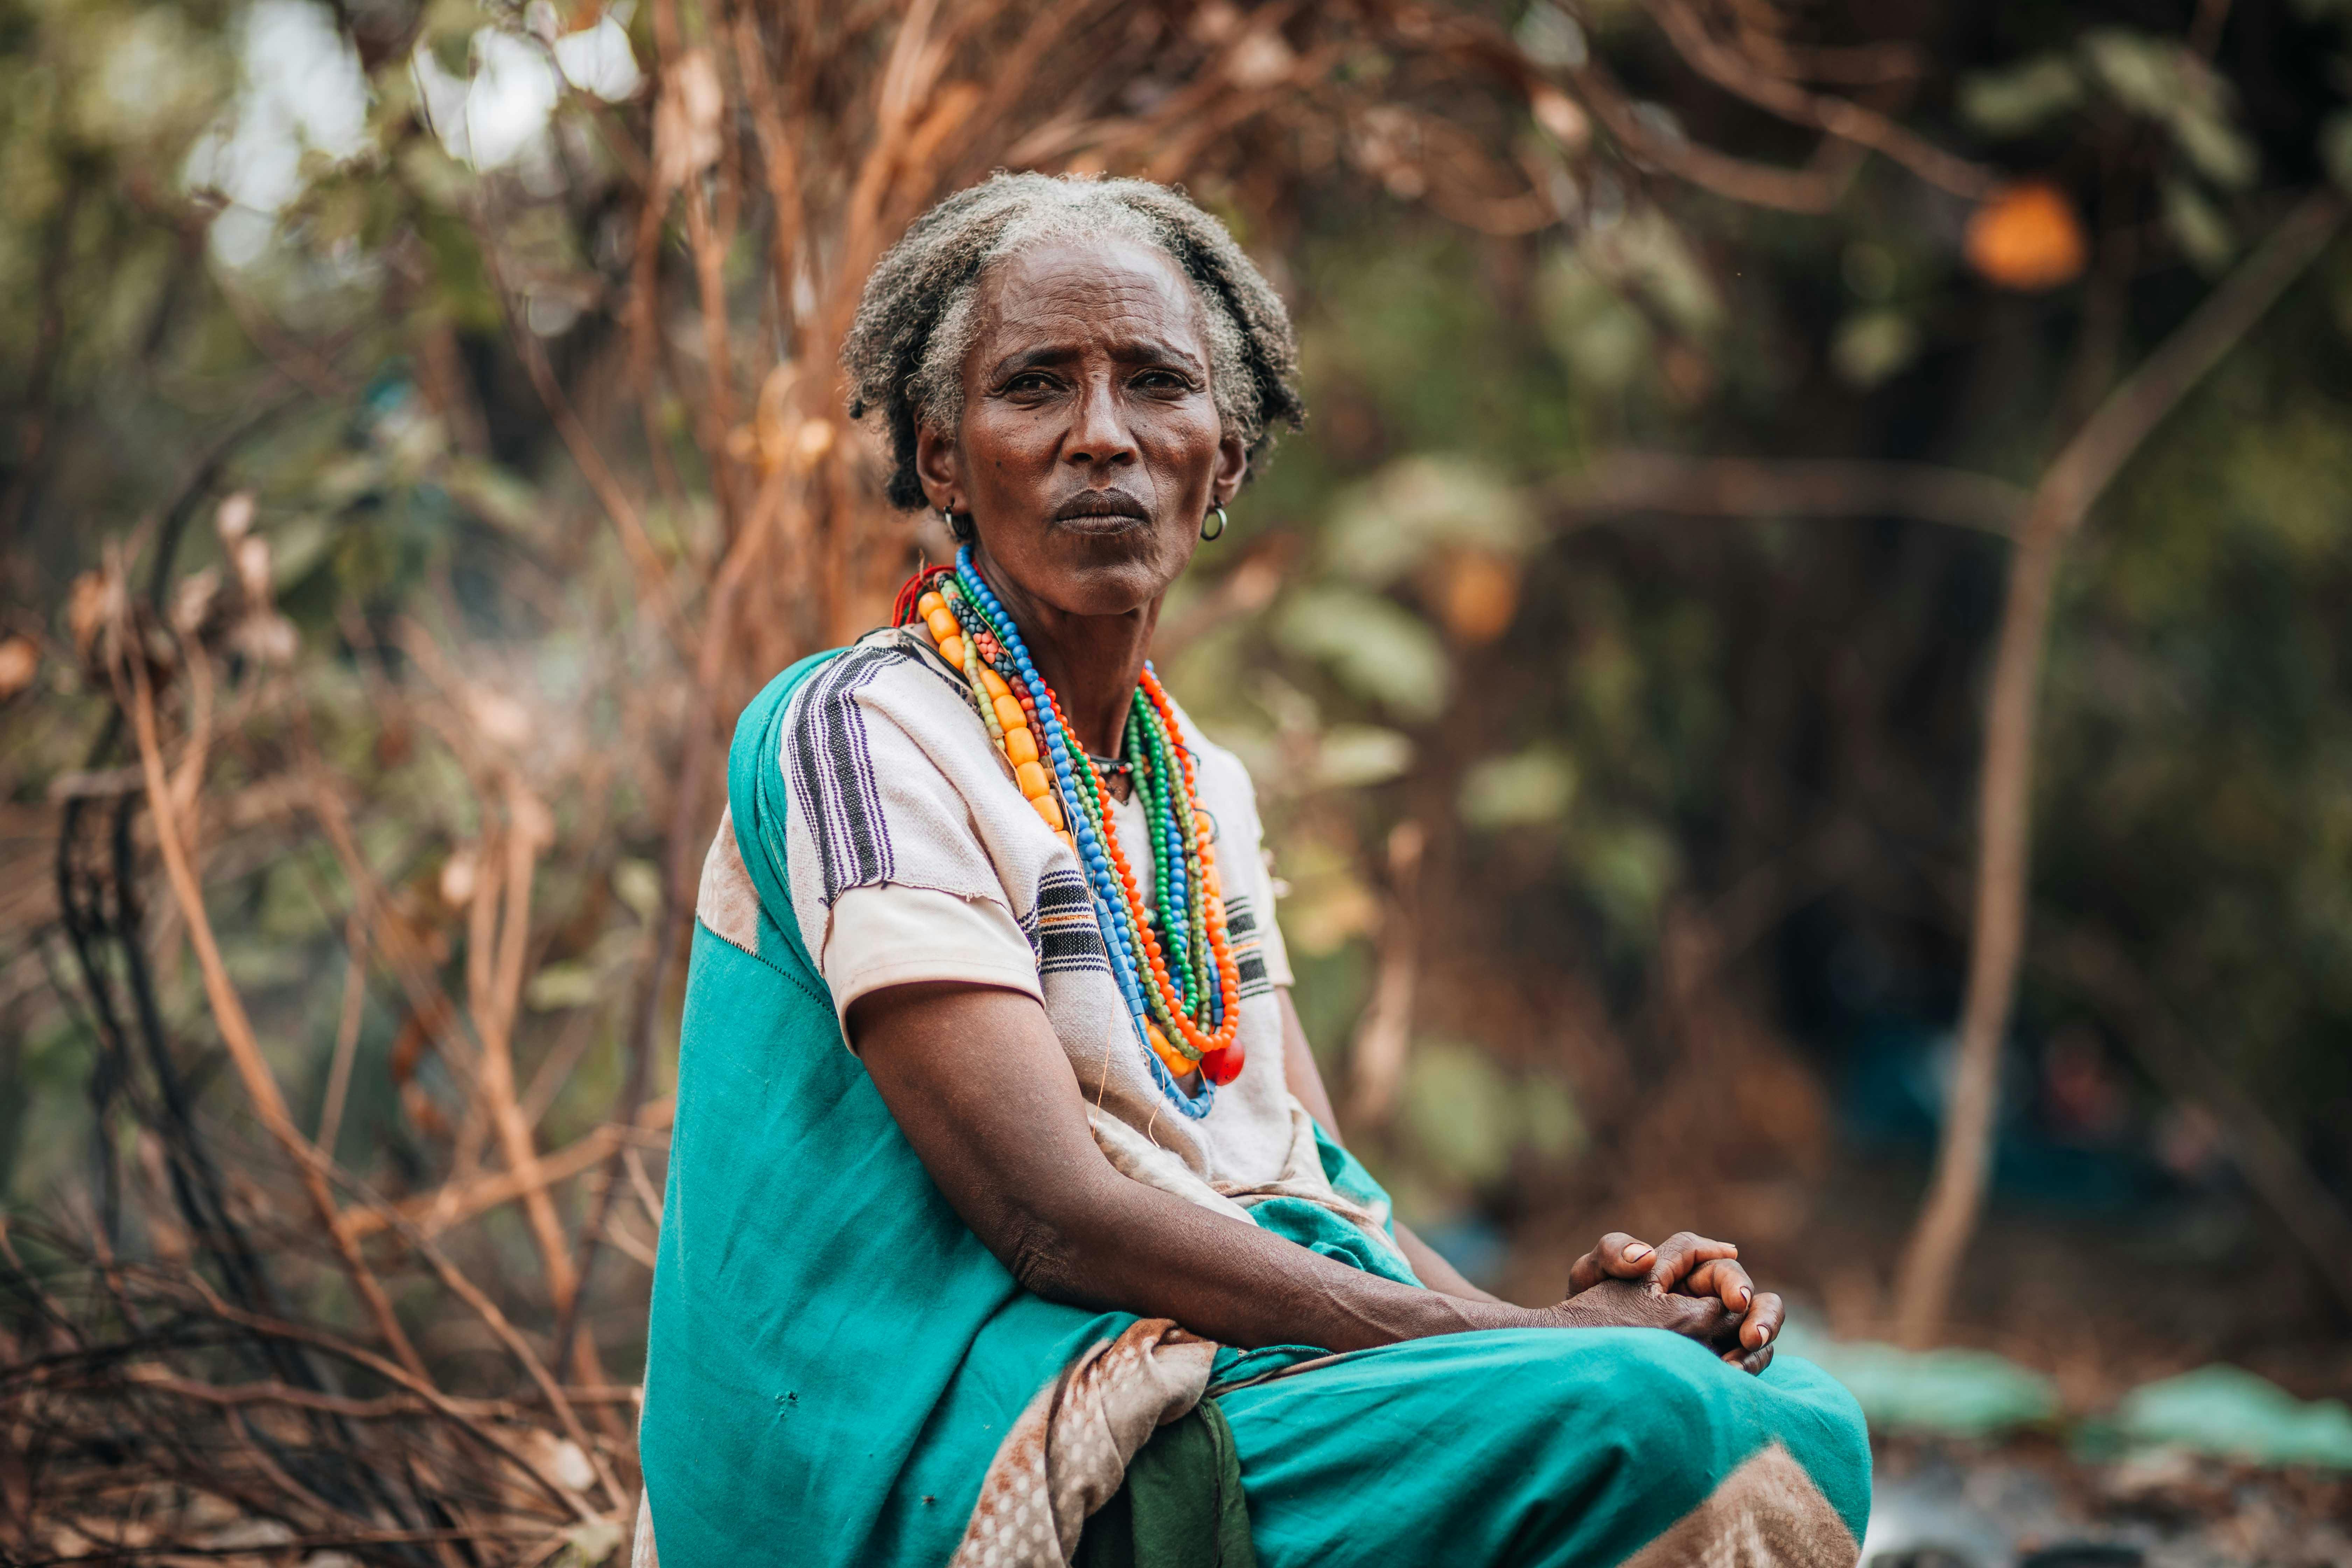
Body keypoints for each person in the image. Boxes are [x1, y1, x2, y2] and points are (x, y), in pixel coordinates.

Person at [639, 172, 1870, 1568]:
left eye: (1154, 384)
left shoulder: (1194, 789)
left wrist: (1583, 1327)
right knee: (1642, 1421)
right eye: (1036, 385)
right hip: (983, 1453)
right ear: (939, 459)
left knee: (1795, 1413)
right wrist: (1537, 1349)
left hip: (1216, 1384)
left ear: (1221, 464)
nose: (1100, 437)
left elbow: (1326, 1197)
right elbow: (1054, 1218)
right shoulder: (855, 731)